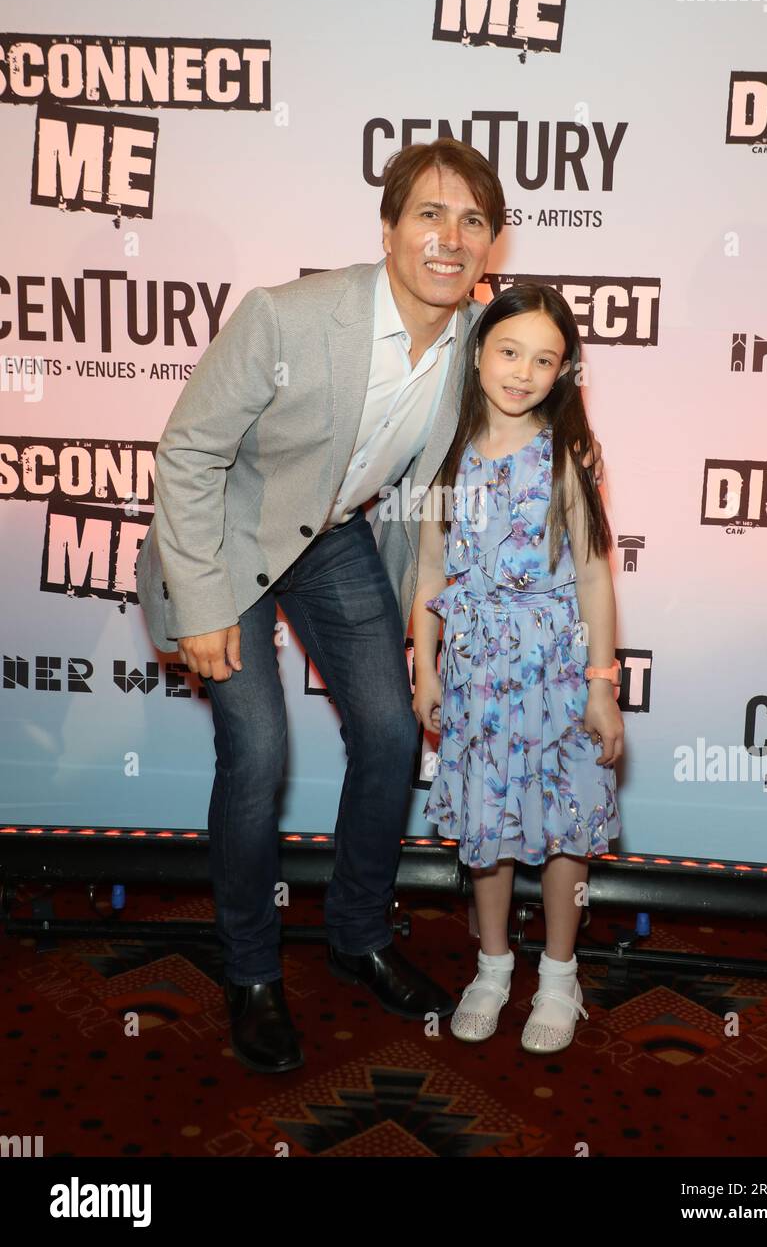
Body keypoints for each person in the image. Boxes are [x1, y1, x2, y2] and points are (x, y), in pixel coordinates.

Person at [134, 139, 605, 1074]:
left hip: (334, 538)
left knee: (392, 734)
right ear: (388, 227)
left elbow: (530, 399)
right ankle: (253, 970)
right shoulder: (285, 318)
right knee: (259, 747)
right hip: (229, 540)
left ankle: (356, 935)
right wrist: (201, 602)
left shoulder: (481, 344)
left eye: (473, 220)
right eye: (429, 214)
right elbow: (188, 453)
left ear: (491, 245)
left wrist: (575, 462)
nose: (450, 237)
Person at [412, 282, 624, 1055]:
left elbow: (597, 573)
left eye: (545, 359)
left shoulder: (568, 455)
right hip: (475, 675)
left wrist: (603, 687)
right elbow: (429, 571)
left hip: (557, 671)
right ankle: (492, 966)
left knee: (567, 826)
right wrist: (425, 669)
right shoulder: (444, 453)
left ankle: (561, 974)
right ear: (477, 355)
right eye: (509, 351)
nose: (523, 371)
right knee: (486, 824)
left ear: (563, 372)